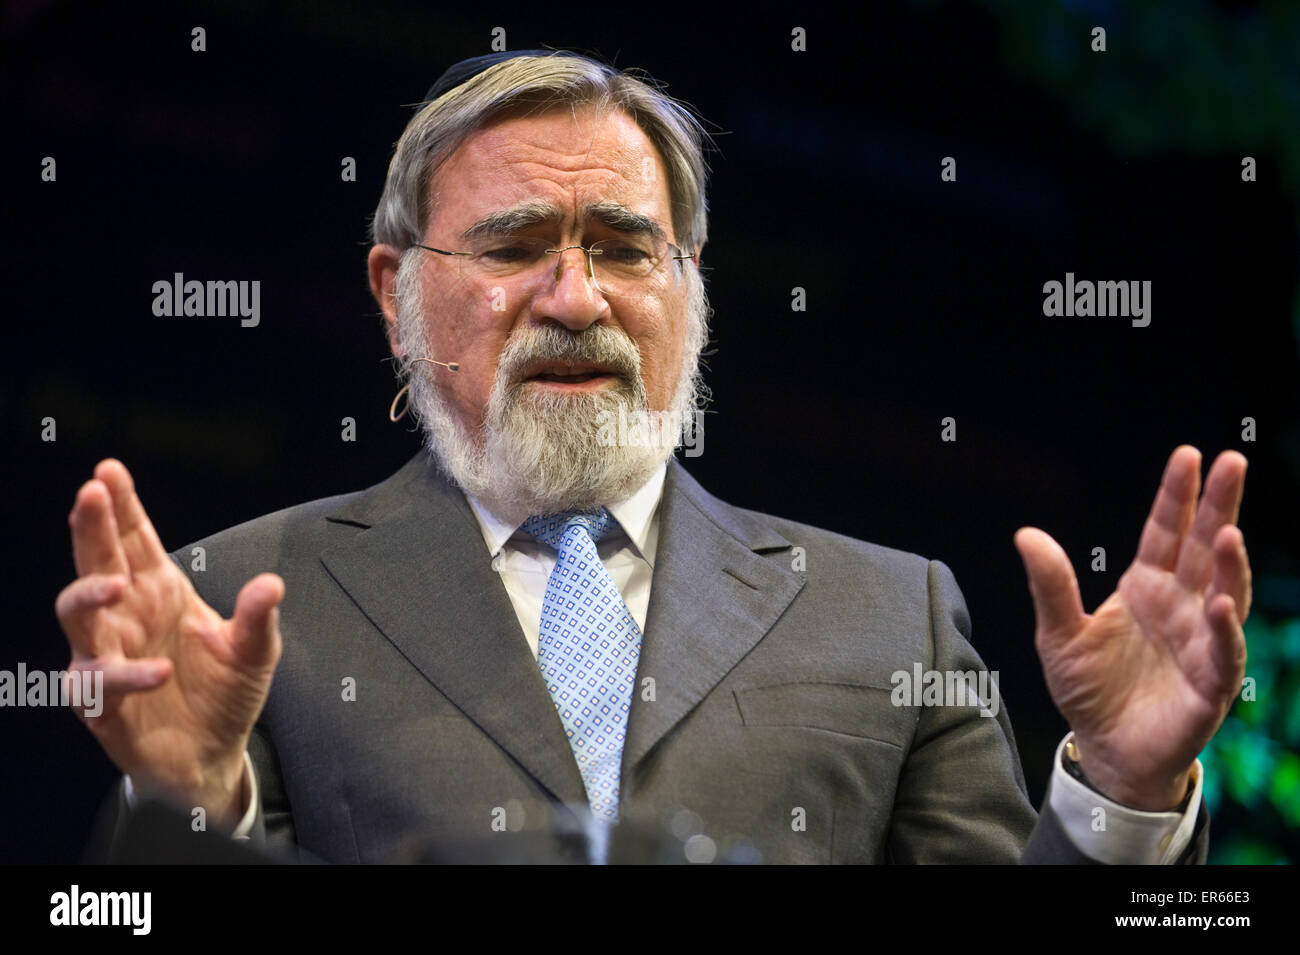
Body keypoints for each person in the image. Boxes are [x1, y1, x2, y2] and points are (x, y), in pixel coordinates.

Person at [58, 51, 1251, 864]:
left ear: (690, 291)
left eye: (626, 249)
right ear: (397, 292)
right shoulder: (247, 600)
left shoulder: (894, 616)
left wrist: (1121, 790)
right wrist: (194, 807)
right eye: (515, 244)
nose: (573, 299)